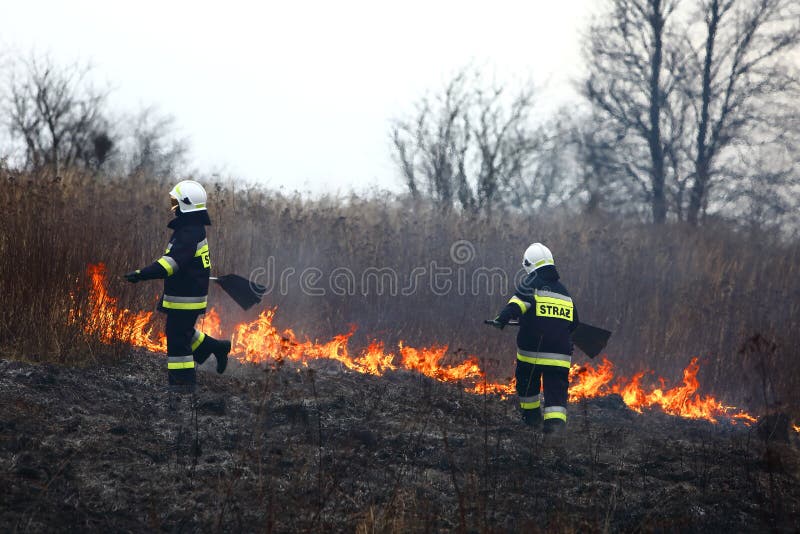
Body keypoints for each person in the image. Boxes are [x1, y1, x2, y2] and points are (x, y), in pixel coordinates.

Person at [124, 180, 231, 392]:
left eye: (175, 202)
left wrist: (142, 274)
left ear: (186, 204)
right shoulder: (190, 229)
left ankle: (182, 386)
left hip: (186, 297)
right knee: (180, 332)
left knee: (177, 341)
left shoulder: (189, 232)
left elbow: (171, 264)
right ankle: (215, 347)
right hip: (186, 293)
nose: (173, 206)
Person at [488, 243, 578, 434]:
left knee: (527, 385)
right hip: (561, 357)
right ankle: (555, 432)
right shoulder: (565, 293)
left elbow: (516, 305)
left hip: (533, 353)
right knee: (556, 394)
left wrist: (500, 320)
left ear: (529, 265)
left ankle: (532, 423)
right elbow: (574, 324)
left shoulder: (532, 284)